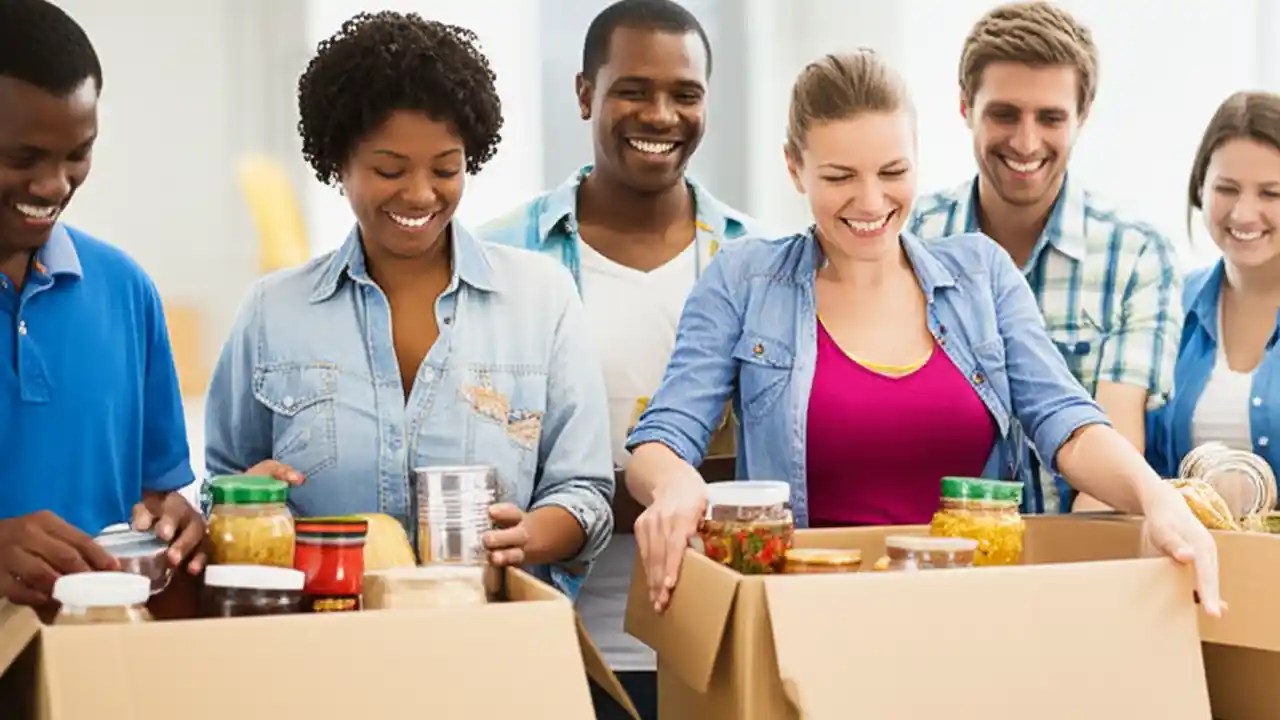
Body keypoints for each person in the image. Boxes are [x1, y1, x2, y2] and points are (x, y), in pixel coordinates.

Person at [624, 50, 1221, 618]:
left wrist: (1156, 497)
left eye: (893, 172)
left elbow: (1065, 421)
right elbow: (663, 437)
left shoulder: (981, 275)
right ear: (794, 167)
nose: (871, 201)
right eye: (839, 177)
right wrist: (676, 485)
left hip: (967, 620)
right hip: (805, 617)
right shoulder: (745, 279)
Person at [203, 12, 614, 596]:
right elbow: (218, 487)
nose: (420, 194)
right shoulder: (273, 312)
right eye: (389, 170)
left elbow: (585, 493)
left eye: (446, 169)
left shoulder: (540, 299)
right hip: (320, 648)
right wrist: (244, 500)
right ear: (337, 161)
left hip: (492, 648)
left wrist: (533, 534)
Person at [478, 2, 757, 716]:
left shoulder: (758, 262)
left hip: (720, 642)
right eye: (633, 89)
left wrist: (608, 493)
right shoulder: (500, 256)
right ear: (584, 94)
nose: (660, 114)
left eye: (685, 94)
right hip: (549, 638)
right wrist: (653, 491)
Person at [908, 1, 1182, 513]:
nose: (1026, 142)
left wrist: (1054, 586)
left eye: (1050, 117)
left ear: (1083, 115)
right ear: (965, 107)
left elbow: (1110, 471)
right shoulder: (913, 237)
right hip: (938, 559)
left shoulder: (1136, 258)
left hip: (1076, 560)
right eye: (1004, 114)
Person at [0, 0, 204, 606]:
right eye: (22, 158)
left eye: (77, 154)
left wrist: (177, 524)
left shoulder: (125, 290)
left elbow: (152, 497)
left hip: (97, 669)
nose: (53, 185)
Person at [1147, 92, 1280, 481]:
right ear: (1199, 189)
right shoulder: (1164, 306)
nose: (1243, 213)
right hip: (1181, 543)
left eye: (1271, 193)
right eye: (1226, 189)